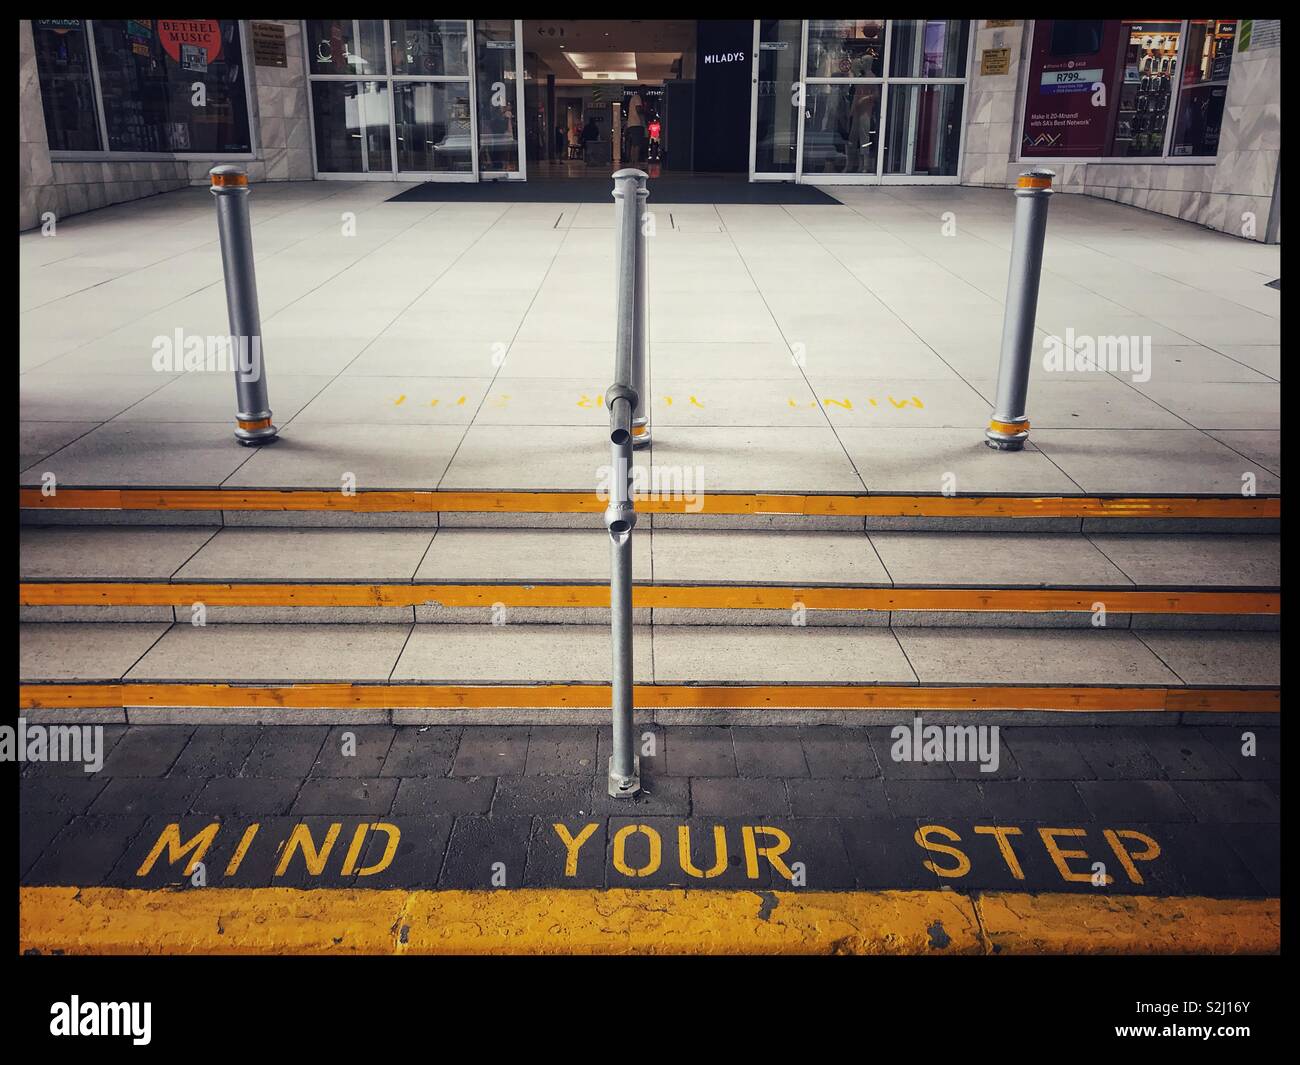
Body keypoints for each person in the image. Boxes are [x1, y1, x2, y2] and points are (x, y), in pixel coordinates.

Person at [625, 85, 647, 164]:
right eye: (645, 91)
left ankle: (632, 161)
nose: (645, 93)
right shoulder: (638, 98)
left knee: (634, 144)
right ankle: (635, 161)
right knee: (637, 144)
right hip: (636, 123)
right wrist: (645, 111)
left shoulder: (633, 98)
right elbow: (639, 110)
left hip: (631, 124)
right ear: (641, 90)